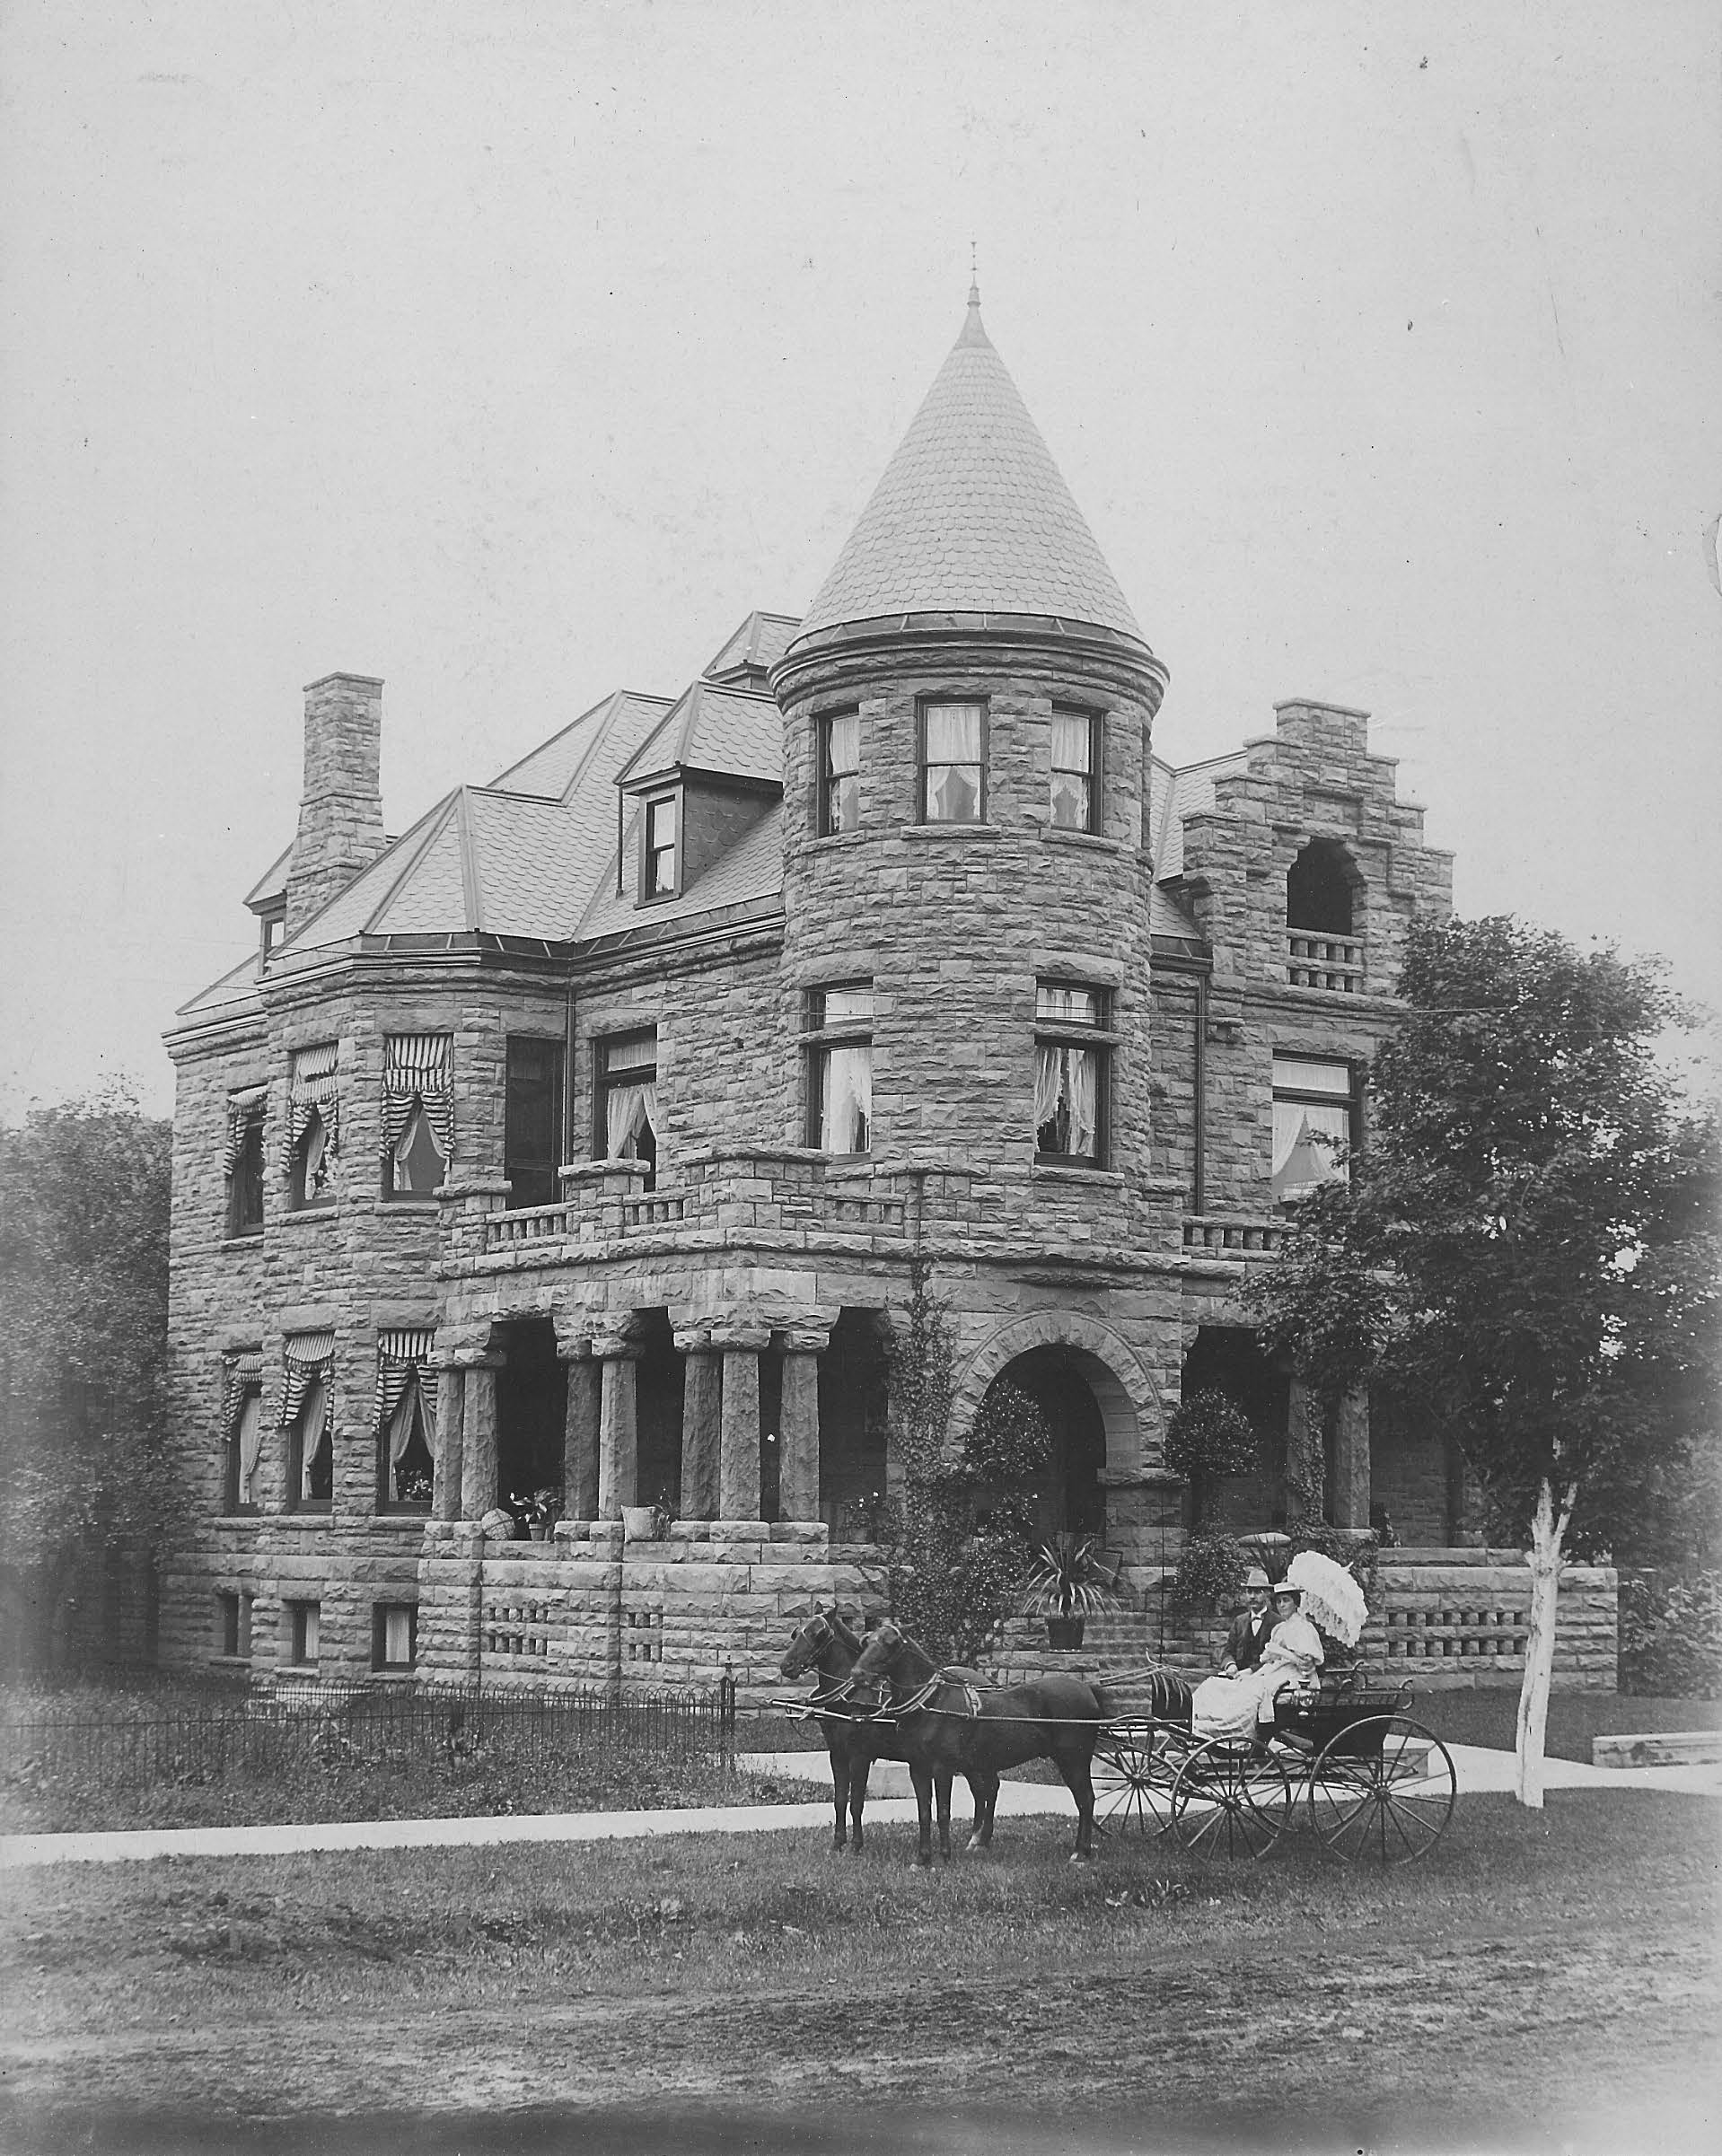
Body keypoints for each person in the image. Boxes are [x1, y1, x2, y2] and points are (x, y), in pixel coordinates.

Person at [1190, 1580, 1325, 1742]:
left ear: (1296, 1603)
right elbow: (1262, 1659)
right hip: (1274, 1672)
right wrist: (1253, 1669)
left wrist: (1279, 1651)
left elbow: (1306, 1665)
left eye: (1286, 1600)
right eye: (1279, 1601)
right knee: (1221, 1685)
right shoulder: (1281, 1628)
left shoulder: (1303, 1628)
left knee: (1252, 1692)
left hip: (1294, 1678)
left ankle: (1233, 1734)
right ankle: (1201, 1723)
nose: (1282, 1605)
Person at [1218, 1566, 1274, 1674]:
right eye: (1249, 1592)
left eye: (1258, 1592)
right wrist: (1231, 1665)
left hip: (1265, 1677)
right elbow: (1228, 1651)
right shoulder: (1239, 1621)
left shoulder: (1277, 1623)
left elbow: (1276, 1660)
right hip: (1238, 1676)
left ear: (1267, 1593)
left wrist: (1251, 1671)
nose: (1252, 1596)